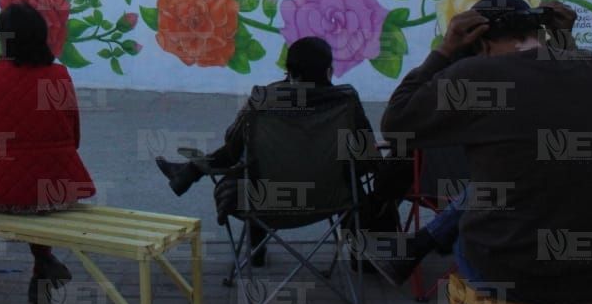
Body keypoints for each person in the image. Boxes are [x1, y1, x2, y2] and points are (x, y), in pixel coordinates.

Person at [380, 0, 592, 304]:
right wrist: (564, 40)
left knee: (482, 222)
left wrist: (444, 49)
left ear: (479, 43)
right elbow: (561, 77)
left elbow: (395, 124)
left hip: (515, 274)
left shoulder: (474, 75)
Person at [153, 36, 408, 266]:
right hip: (332, 198)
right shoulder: (345, 100)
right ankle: (359, 256)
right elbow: (366, 153)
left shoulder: (264, 100)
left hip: (267, 202)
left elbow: (232, 145)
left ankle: (196, 175)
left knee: (248, 167)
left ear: (289, 71)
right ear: (328, 70)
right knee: (348, 175)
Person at [0, 2, 95, 304]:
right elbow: (73, 137)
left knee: (19, 187)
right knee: (37, 193)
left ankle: (45, 262)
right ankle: (43, 261)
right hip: (59, 191)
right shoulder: (60, 76)